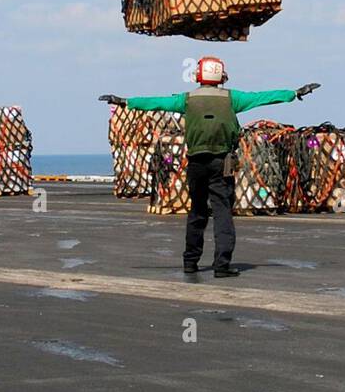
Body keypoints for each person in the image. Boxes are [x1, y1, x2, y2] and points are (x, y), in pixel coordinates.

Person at [100, 57, 318, 278]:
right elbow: (263, 97)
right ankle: (221, 266)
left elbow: (157, 102)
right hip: (221, 163)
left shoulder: (186, 100)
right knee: (223, 212)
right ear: (221, 77)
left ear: (198, 76)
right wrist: (294, 93)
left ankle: (190, 262)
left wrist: (125, 101)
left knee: (197, 211)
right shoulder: (233, 98)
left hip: (196, 163)